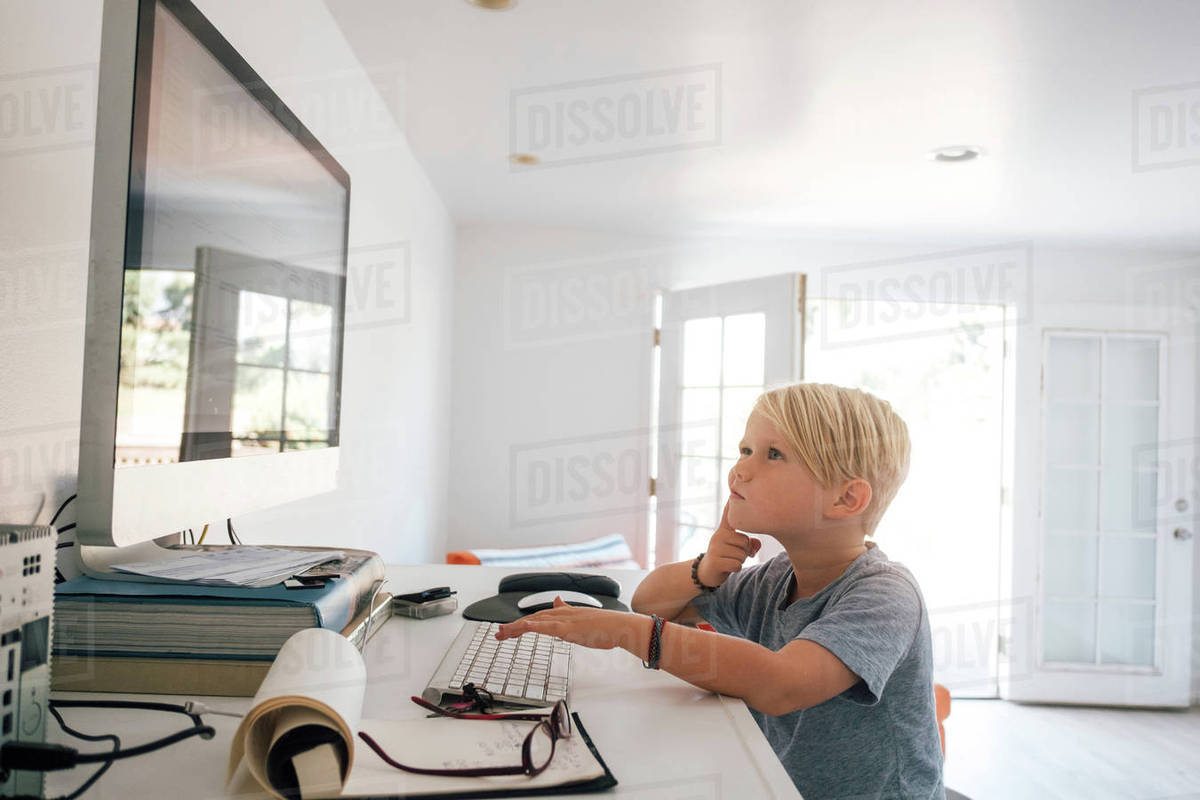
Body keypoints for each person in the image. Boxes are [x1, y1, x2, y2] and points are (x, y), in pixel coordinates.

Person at [496, 383, 944, 799]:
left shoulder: (886, 595)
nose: (741, 469)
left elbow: (779, 684)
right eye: (745, 449)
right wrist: (704, 570)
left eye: (773, 454)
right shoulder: (777, 578)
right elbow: (652, 603)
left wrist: (627, 633)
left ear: (846, 500)